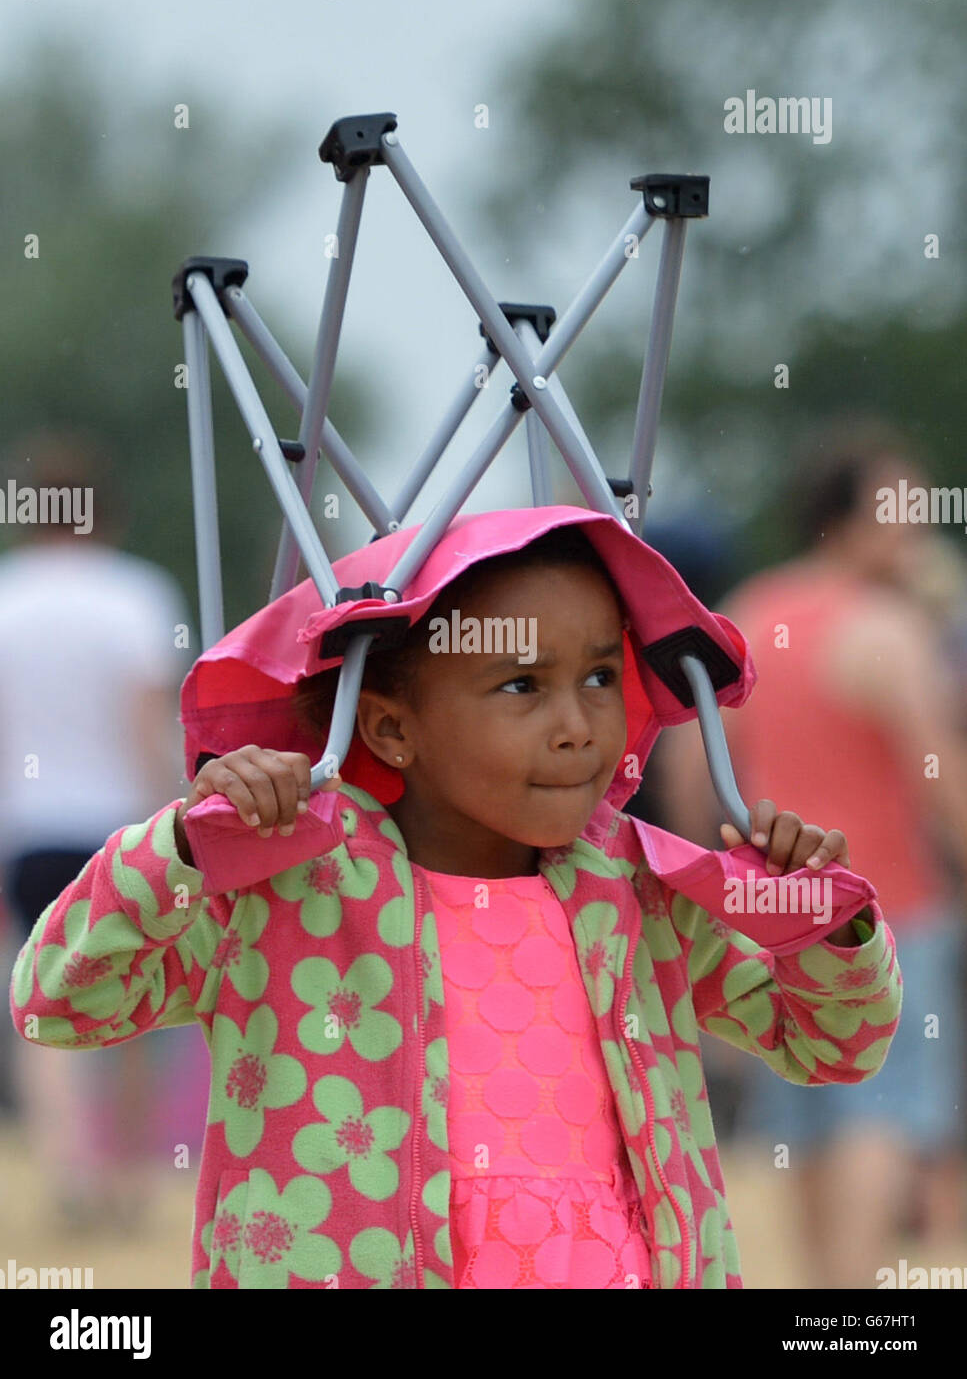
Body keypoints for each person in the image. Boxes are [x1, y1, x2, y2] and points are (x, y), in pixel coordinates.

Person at [9, 505, 901, 1289]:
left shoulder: (645, 895)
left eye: (598, 676)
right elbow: (61, 998)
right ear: (392, 727)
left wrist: (819, 928)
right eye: (522, 685)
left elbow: (833, 1044)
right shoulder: (284, 893)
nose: (577, 726)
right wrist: (184, 846)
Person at [658, 418, 967, 1288]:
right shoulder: (885, 628)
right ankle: (851, 1299)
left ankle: (818, 1299)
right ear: (851, 516)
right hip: (887, 909)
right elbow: (940, 776)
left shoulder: (750, 616)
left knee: (800, 1094)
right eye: (899, 503)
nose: (916, 521)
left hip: (769, 909)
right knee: (886, 1103)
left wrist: (712, 884)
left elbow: (688, 769)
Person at [0, 428, 195, 1231]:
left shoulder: (7, 599)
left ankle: (72, 1168)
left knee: (39, 996)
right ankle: (130, 1178)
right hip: (119, 829)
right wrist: (176, 823)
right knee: (138, 996)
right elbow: (146, 725)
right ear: (102, 515)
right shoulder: (136, 595)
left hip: (30, 827)